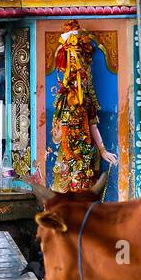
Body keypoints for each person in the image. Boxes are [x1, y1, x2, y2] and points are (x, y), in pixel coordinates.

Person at [50, 21, 118, 193]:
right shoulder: (63, 99)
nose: (76, 62)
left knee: (84, 194)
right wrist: (60, 133)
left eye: (79, 57)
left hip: (86, 156)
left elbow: (93, 125)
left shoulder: (87, 99)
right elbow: (56, 137)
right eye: (72, 58)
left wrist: (103, 151)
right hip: (67, 158)